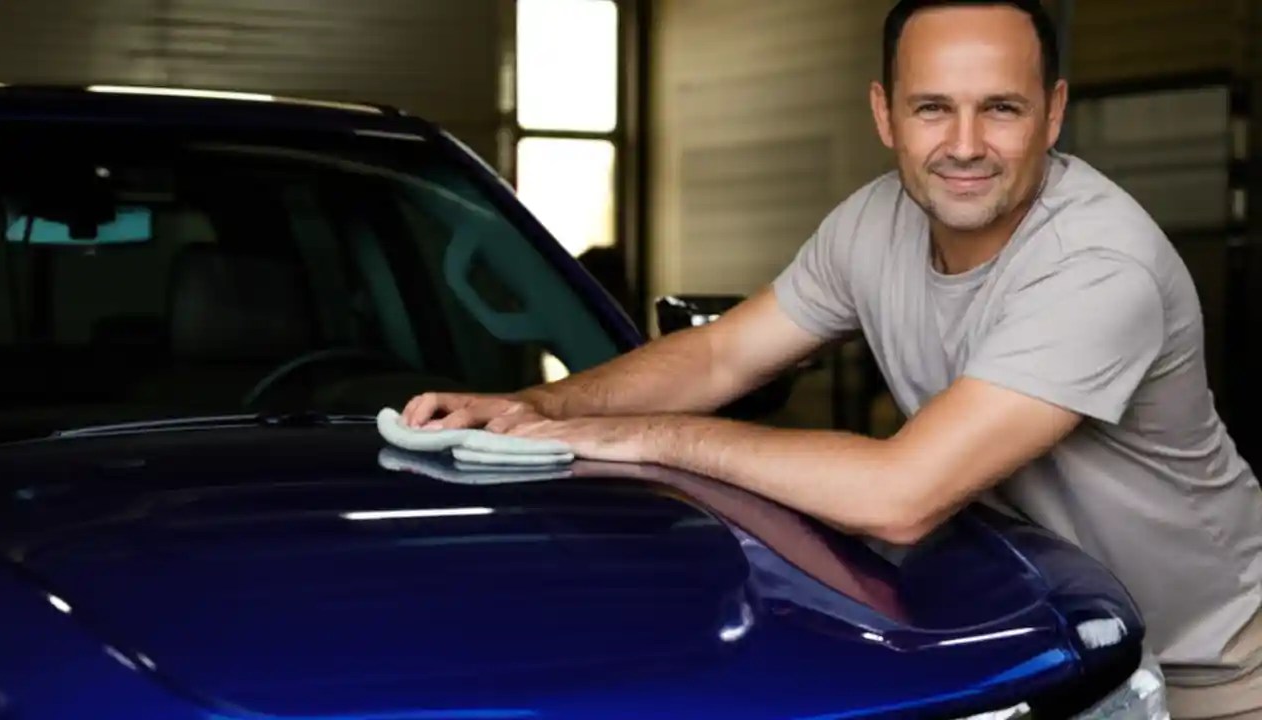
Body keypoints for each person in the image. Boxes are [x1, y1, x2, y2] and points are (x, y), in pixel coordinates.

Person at [404, 0, 1262, 714]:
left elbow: (900, 496)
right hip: (1031, 639)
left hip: (1208, 674)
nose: (965, 143)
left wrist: (640, 436)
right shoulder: (872, 223)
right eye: (933, 108)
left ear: (1054, 112)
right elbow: (719, 358)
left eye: (1001, 107)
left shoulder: (1097, 267)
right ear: (885, 112)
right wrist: (535, 411)